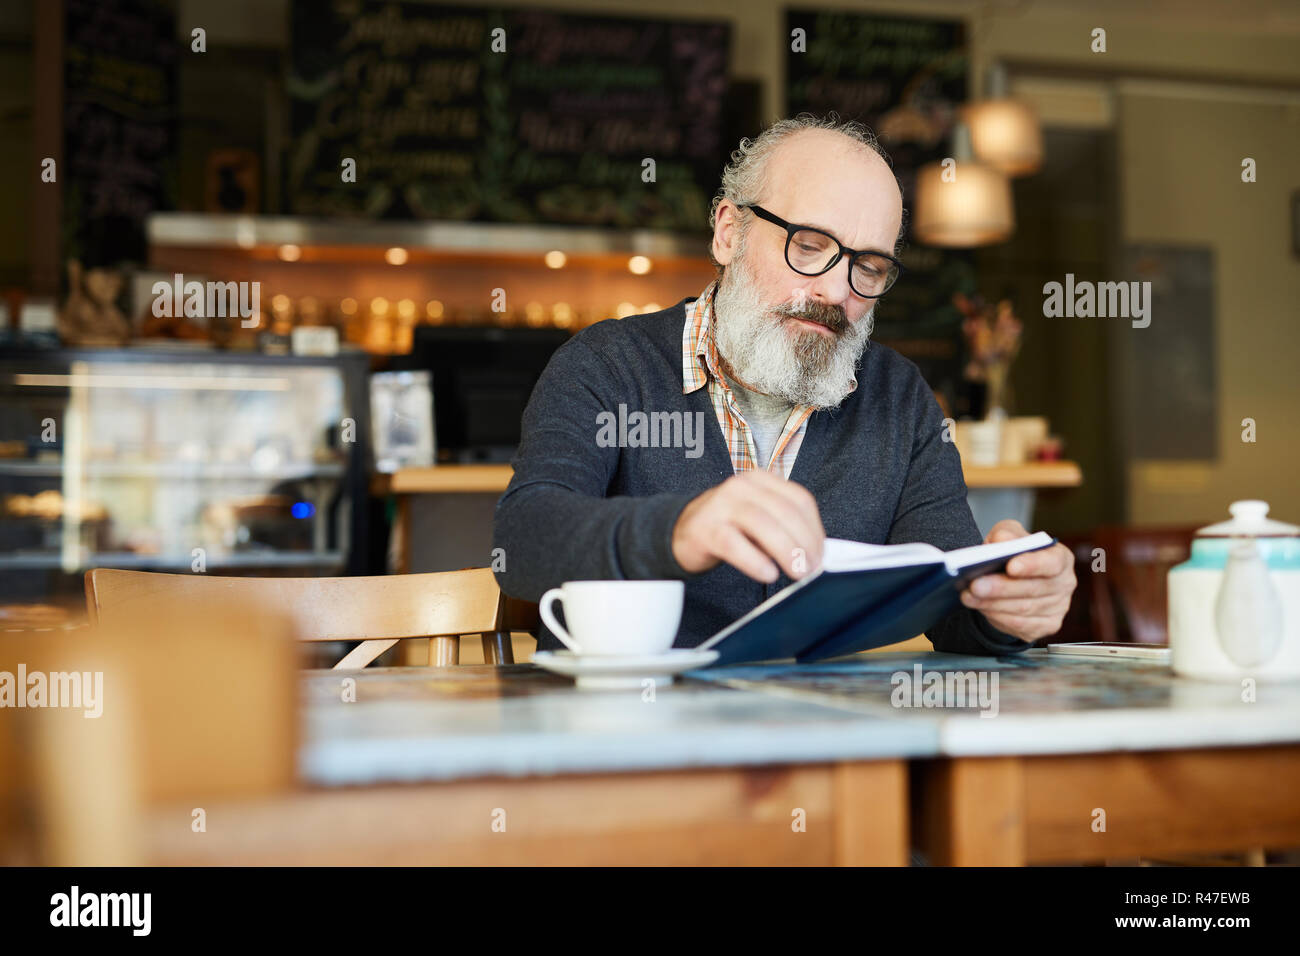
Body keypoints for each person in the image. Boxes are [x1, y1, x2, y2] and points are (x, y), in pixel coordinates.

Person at [493, 114, 1076, 654]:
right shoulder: (608, 364)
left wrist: (1008, 605)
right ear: (728, 232)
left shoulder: (898, 396)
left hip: (821, 745)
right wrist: (678, 532)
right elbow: (522, 542)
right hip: (625, 739)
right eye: (809, 246)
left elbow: (948, 602)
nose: (835, 291)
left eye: (868, 267)